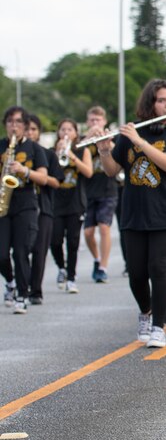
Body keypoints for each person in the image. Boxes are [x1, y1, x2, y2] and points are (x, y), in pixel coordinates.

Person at [96, 80, 166, 348]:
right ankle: (146, 312)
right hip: (134, 213)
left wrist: (140, 142)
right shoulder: (131, 133)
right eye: (161, 100)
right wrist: (104, 149)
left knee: (158, 267)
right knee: (137, 273)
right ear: (150, 103)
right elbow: (113, 170)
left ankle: (159, 327)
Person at [0, 107, 50, 313]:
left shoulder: (34, 149)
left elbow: (44, 178)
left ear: (25, 125)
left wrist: (24, 170)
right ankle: (10, 282)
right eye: (10, 121)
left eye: (18, 122)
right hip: (4, 203)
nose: (14, 125)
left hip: (26, 203)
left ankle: (22, 295)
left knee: (21, 252)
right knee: (2, 254)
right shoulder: (1, 146)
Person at [51, 118, 93, 294]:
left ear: (76, 133)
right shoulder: (52, 152)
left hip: (76, 203)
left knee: (73, 242)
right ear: (58, 133)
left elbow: (89, 172)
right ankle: (61, 267)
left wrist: (72, 156)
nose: (66, 132)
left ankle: (71, 277)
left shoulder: (82, 150)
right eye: (63, 129)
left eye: (70, 129)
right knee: (54, 240)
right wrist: (57, 153)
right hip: (56, 202)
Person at [81, 106, 118, 283]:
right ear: (88, 122)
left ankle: (103, 267)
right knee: (88, 233)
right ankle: (96, 259)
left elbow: (118, 154)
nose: (95, 123)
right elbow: (75, 153)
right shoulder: (83, 141)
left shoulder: (110, 138)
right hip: (88, 191)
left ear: (104, 121)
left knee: (104, 227)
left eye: (98, 120)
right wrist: (88, 138)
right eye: (92, 120)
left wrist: (105, 139)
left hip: (108, 190)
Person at [26, 115, 60, 307]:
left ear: (38, 132)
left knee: (39, 250)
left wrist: (39, 177)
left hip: (43, 206)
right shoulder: (11, 153)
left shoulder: (47, 154)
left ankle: (35, 290)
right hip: (18, 207)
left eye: (33, 129)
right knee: (19, 250)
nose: (30, 133)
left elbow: (56, 181)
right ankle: (18, 284)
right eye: (27, 129)